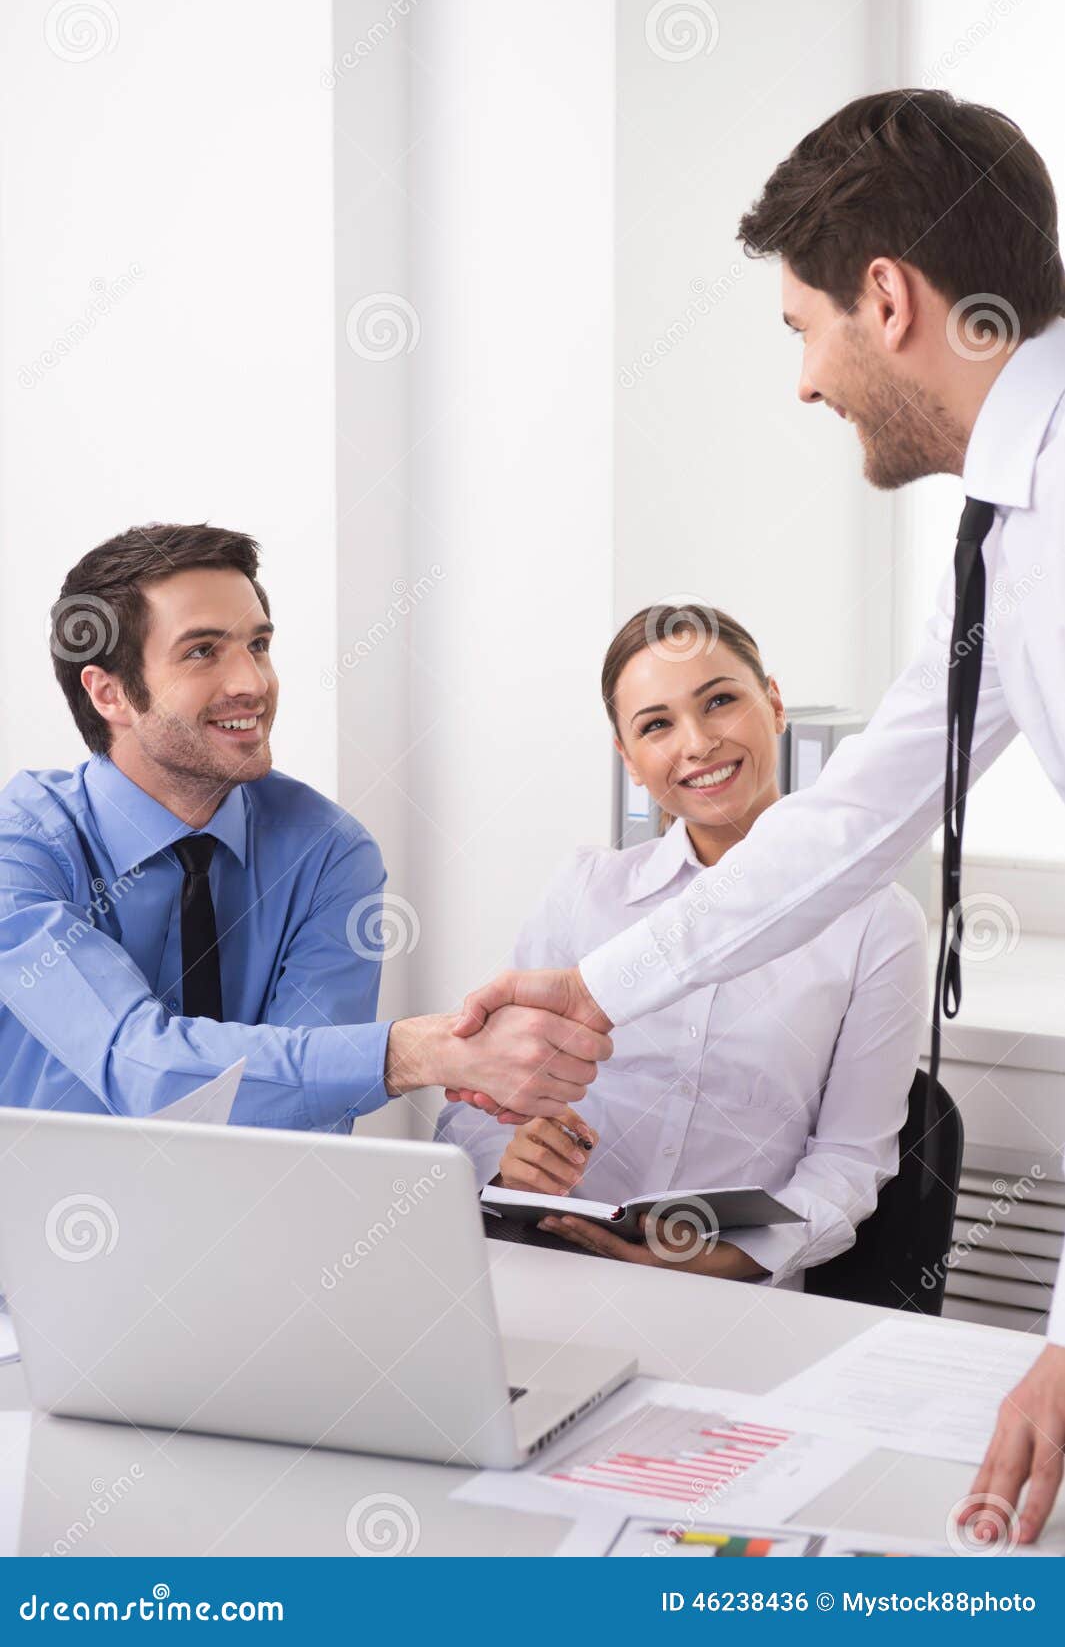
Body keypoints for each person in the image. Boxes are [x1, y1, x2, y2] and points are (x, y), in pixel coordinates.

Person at [449, 90, 1065, 1542]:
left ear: (888, 298)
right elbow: (849, 822)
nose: (805, 383)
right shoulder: (1001, 529)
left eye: (801, 329)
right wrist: (590, 988)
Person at [0, 524, 609, 1130]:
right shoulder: (24, 844)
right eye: (202, 651)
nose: (253, 684)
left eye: (258, 646)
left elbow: (301, 1114)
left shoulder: (327, 851)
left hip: (257, 1214)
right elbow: (134, 1063)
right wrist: (422, 1050)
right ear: (110, 694)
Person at [437, 605, 927, 1284]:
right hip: (547, 1265)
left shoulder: (876, 920)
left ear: (774, 703)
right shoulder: (584, 892)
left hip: (728, 1293)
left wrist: (729, 1258)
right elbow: (473, 1107)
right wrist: (505, 1157)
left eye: (719, 701)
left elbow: (849, 1160)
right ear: (628, 760)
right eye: (656, 725)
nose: (695, 744)